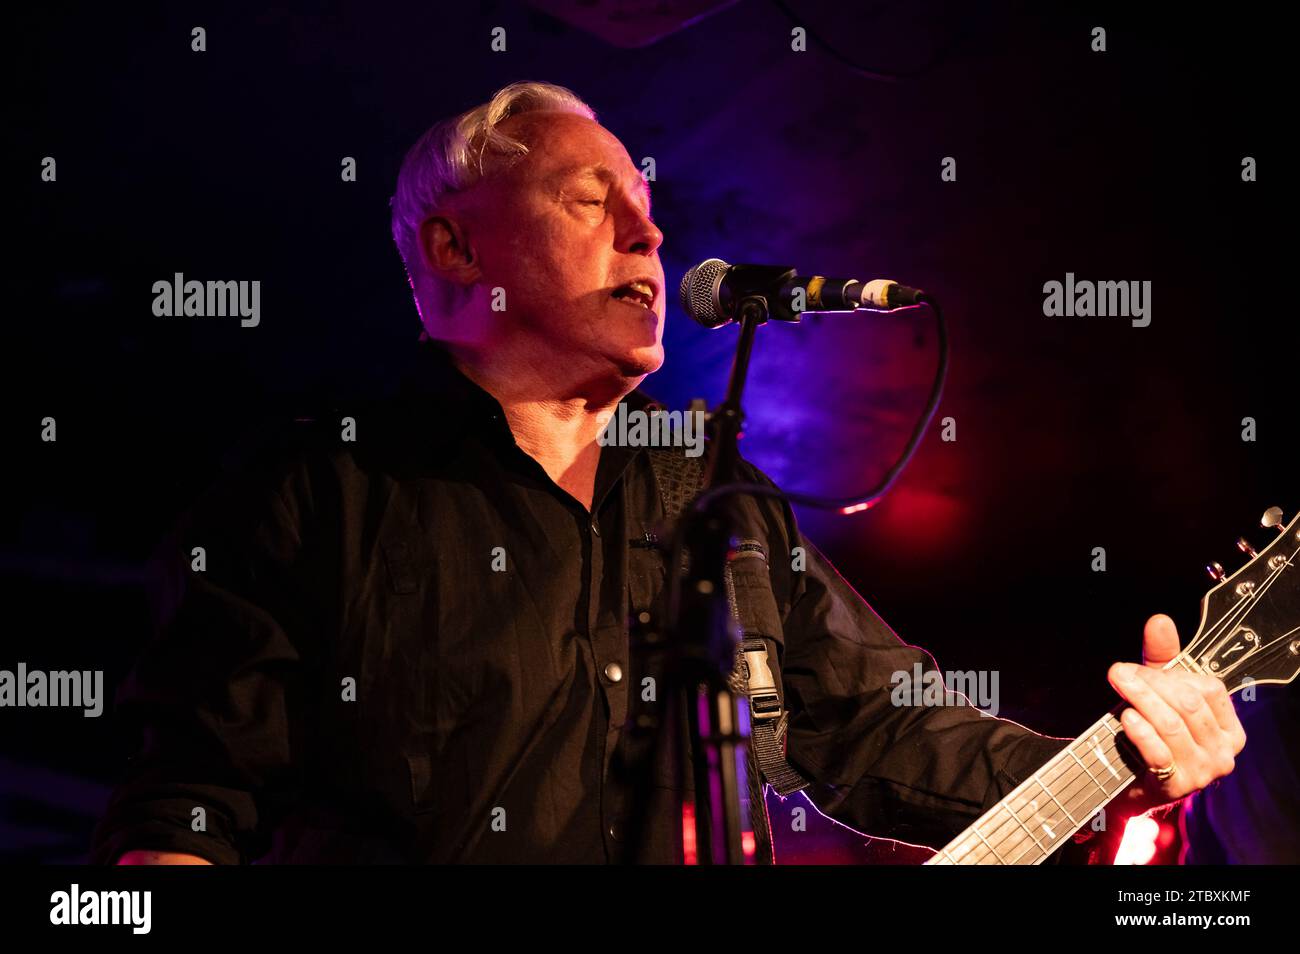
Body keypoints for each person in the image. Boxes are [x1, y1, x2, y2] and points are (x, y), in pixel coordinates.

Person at [89, 81, 1245, 865]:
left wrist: (1118, 769)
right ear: (454, 247)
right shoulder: (309, 490)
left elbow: (884, 730)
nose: (648, 238)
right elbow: (189, 805)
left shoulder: (712, 488)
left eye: (649, 213)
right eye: (593, 204)